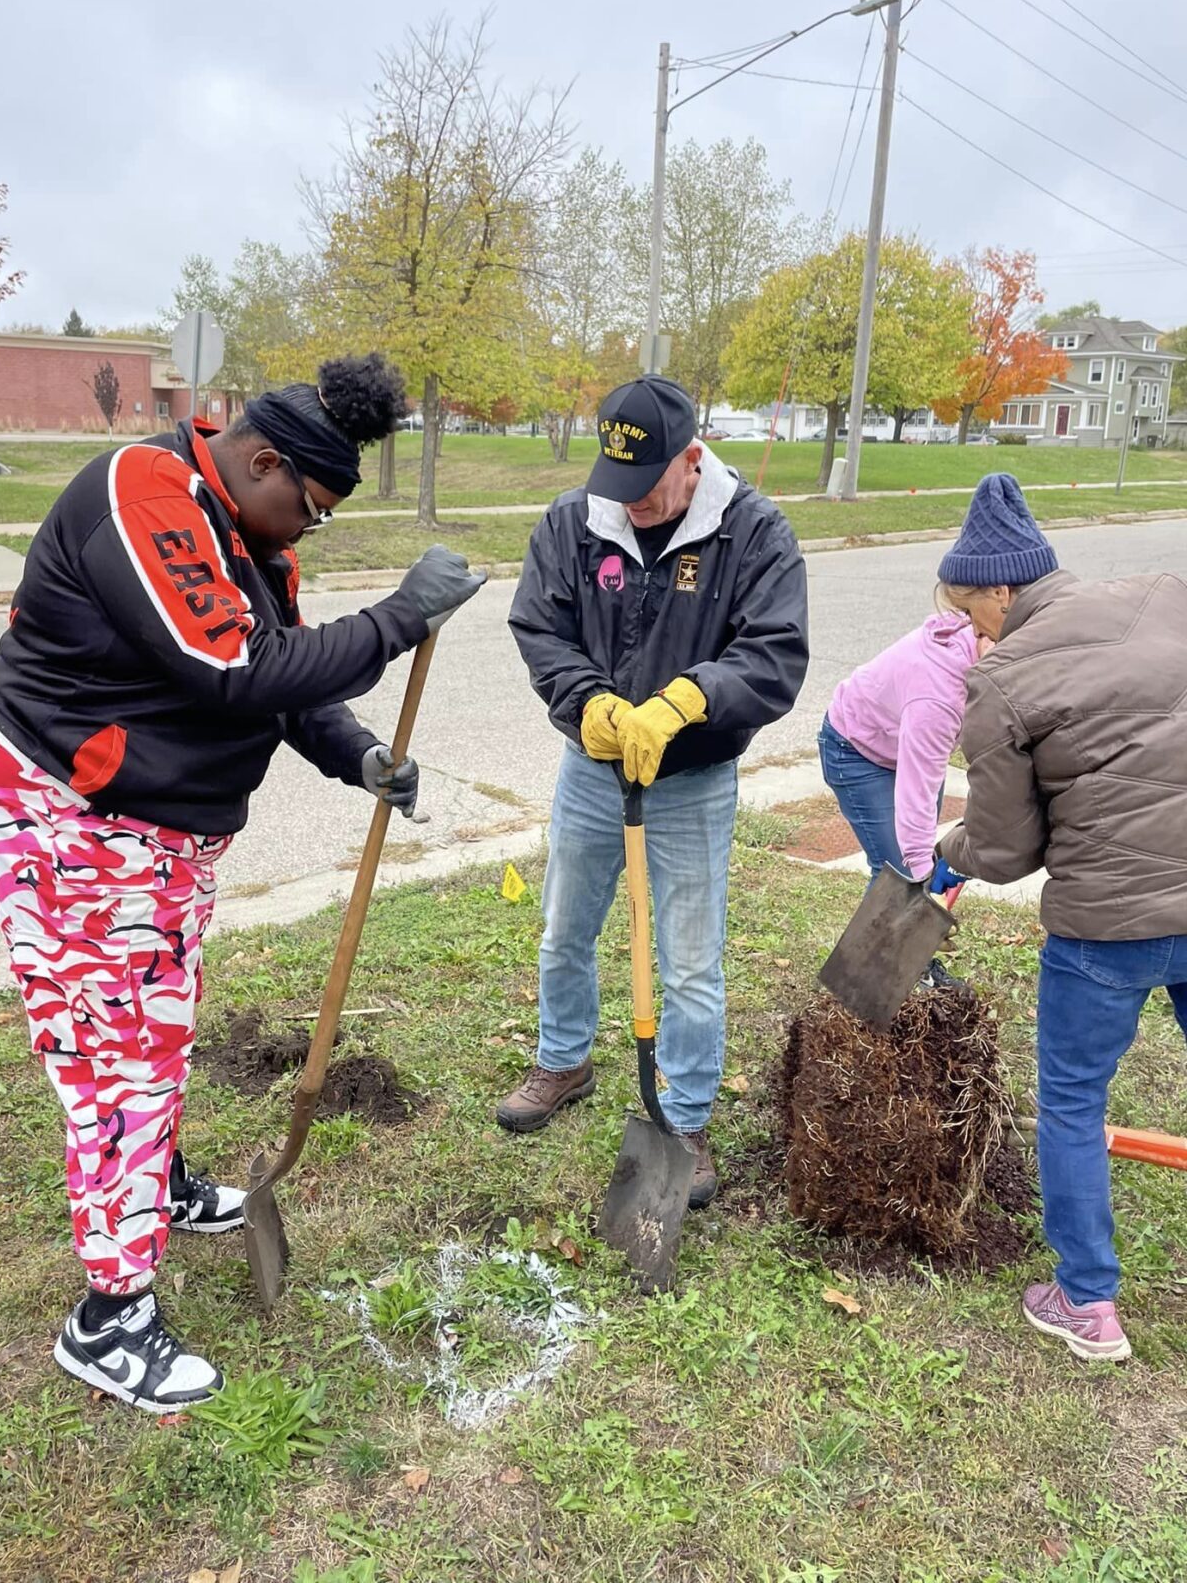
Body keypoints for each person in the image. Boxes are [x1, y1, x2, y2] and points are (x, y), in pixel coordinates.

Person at [0, 354, 485, 1413]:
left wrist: (358, 753)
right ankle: (111, 1316)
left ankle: (155, 1181)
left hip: (146, 829)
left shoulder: (245, 537)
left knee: (156, 1019)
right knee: (118, 1051)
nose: (308, 530)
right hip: (55, 805)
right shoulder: (143, 494)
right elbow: (234, 671)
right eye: (309, 508)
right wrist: (397, 619)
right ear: (263, 459)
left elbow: (276, 677)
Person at [501, 376, 809, 1205]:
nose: (630, 503)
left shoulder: (753, 532)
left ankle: (686, 1114)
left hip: (692, 780)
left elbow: (775, 654)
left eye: (647, 488)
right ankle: (563, 1060)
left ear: (693, 461)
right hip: (592, 770)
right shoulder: (577, 520)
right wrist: (588, 701)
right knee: (566, 928)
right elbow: (539, 625)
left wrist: (688, 699)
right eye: (618, 483)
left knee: (691, 960)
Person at [936, 475, 1187, 1363]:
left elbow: (1005, 853)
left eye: (973, 612)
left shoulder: (1001, 678)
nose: (974, 631)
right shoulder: (1168, 595)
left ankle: (1088, 1303)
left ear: (1002, 590)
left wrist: (952, 842)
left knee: (1074, 1101)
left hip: (1109, 925)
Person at [816, 474, 1056, 988]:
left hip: (905, 745)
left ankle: (904, 965)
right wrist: (923, 869)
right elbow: (917, 788)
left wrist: (958, 852)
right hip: (856, 749)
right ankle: (878, 984)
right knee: (898, 872)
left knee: (916, 860)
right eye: (965, 614)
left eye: (972, 614)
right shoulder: (938, 692)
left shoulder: (990, 651)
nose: (974, 626)